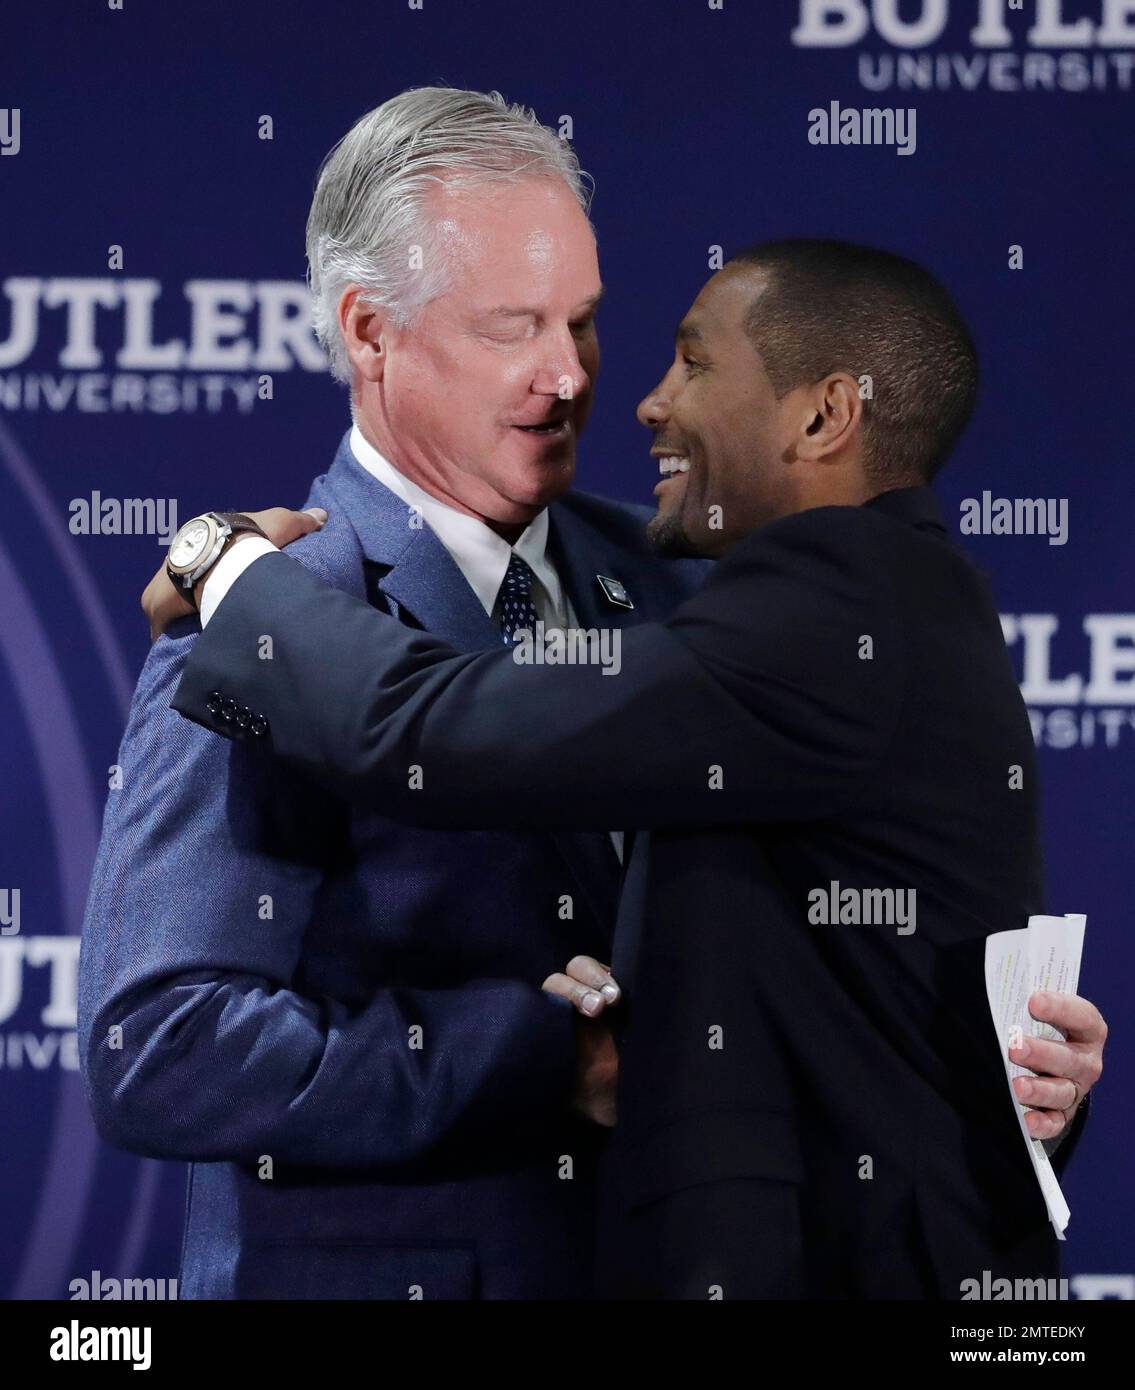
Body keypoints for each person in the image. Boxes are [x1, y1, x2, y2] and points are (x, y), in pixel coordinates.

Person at [150, 238, 1107, 1299]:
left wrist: (226, 571)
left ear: (824, 415)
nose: (642, 402)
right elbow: (879, 995)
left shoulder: (836, 594)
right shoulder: (904, 604)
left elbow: (439, 729)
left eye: (694, 364)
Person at [78, 86, 706, 1300]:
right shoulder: (253, 624)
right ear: (369, 332)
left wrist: (1008, 1096)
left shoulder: (676, 583)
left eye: (580, 323)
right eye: (509, 328)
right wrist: (541, 1055)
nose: (565, 376)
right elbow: (160, 1049)